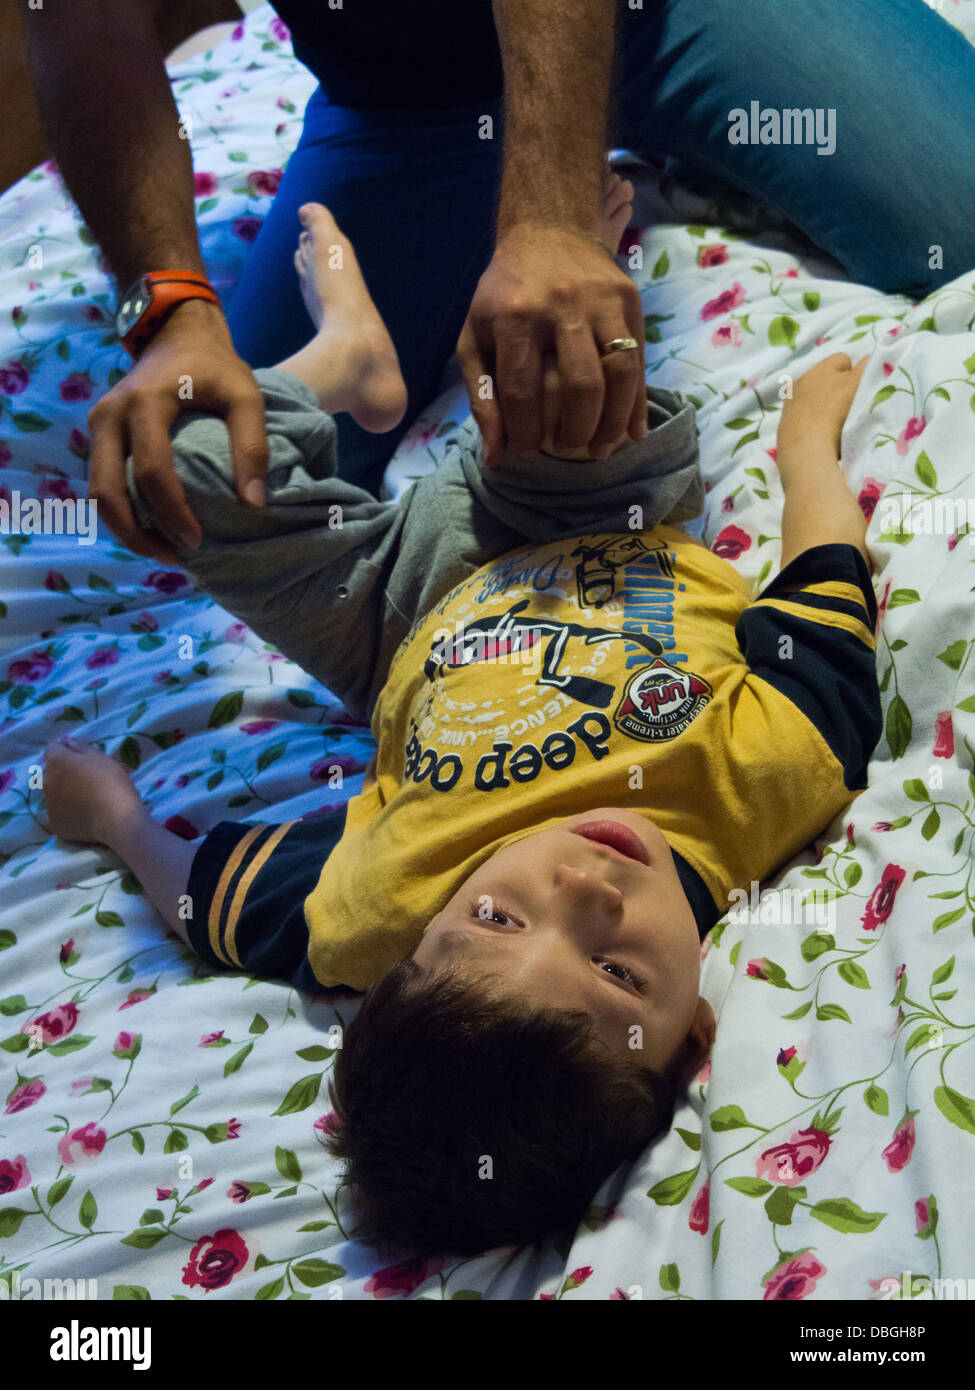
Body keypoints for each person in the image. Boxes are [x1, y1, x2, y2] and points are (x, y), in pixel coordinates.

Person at [43, 198, 881, 1258]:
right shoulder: (769, 779)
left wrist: (116, 818)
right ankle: (434, 330)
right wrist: (806, 441)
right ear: (690, 1040)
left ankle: (344, 363)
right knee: (556, 357)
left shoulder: (369, 914)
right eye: (620, 974)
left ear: (403, 957)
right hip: (576, 513)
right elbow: (823, 584)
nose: (582, 888)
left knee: (174, 462)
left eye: (492, 918)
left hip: (386, 611)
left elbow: (203, 897)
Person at [21, 0, 975, 554]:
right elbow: (79, 23)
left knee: (960, 216)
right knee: (216, 485)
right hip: (407, 95)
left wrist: (550, 215)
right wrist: (173, 310)